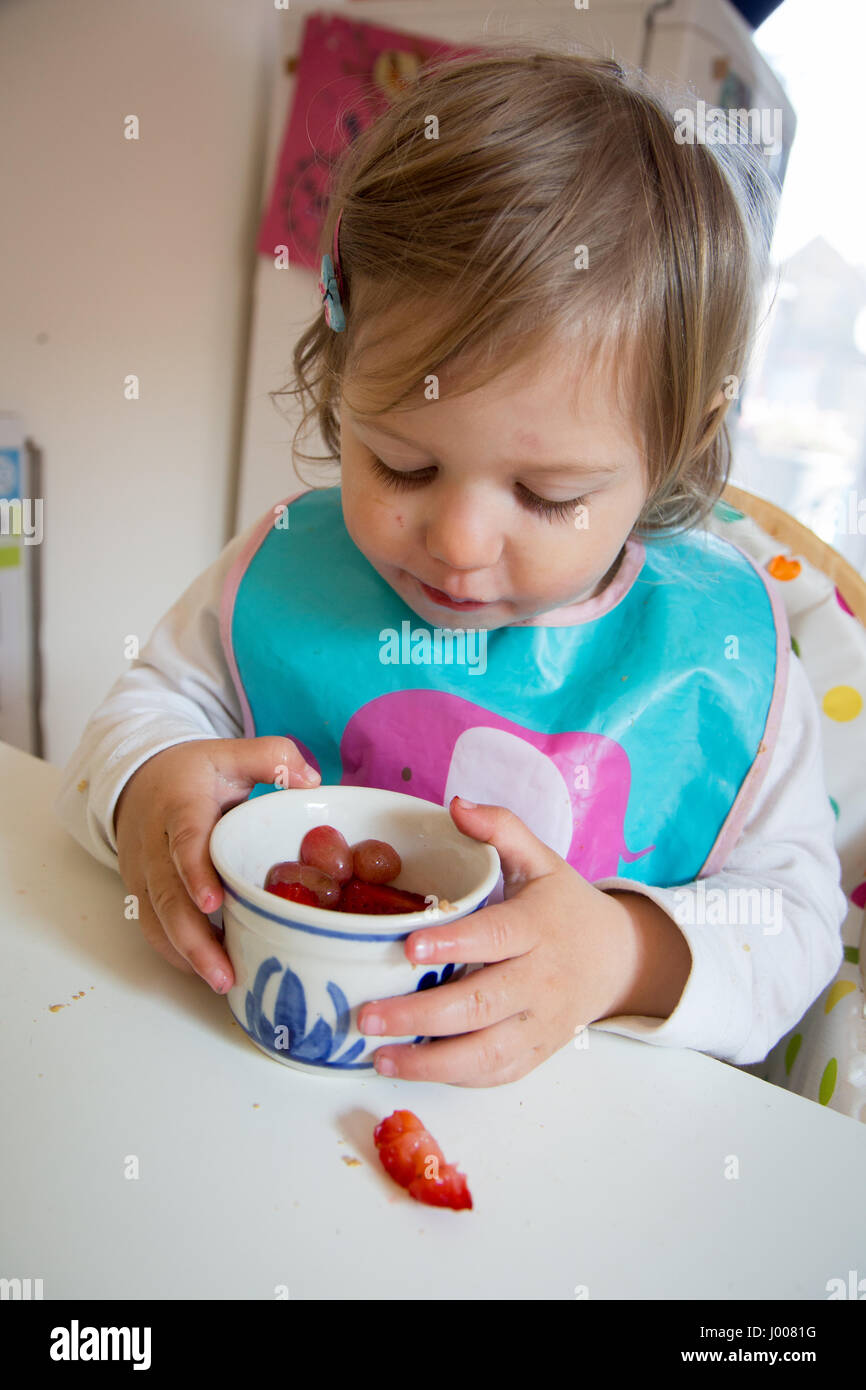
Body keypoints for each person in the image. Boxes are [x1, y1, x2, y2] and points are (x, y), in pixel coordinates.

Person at [55, 44, 846, 1087]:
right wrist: (146, 787)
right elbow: (142, 711)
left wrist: (620, 953)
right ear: (340, 379)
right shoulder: (292, 569)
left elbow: (793, 925)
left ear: (673, 447)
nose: (458, 544)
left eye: (548, 495)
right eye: (402, 462)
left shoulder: (719, 650)